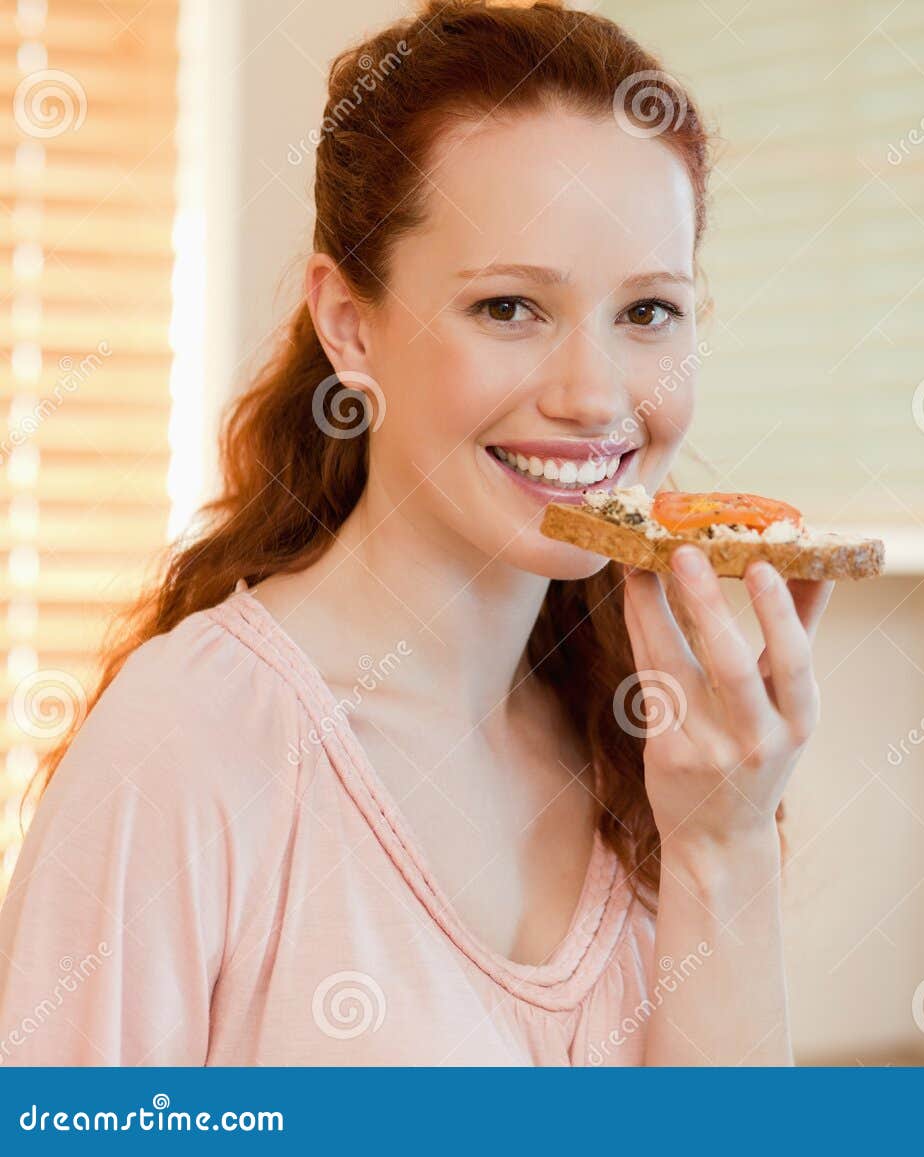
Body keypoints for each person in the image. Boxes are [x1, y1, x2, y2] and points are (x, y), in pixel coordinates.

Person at [0, 0, 831, 1066]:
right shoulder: (190, 746)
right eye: (508, 308)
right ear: (350, 324)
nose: (593, 395)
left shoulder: (655, 755)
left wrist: (725, 840)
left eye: (647, 312)